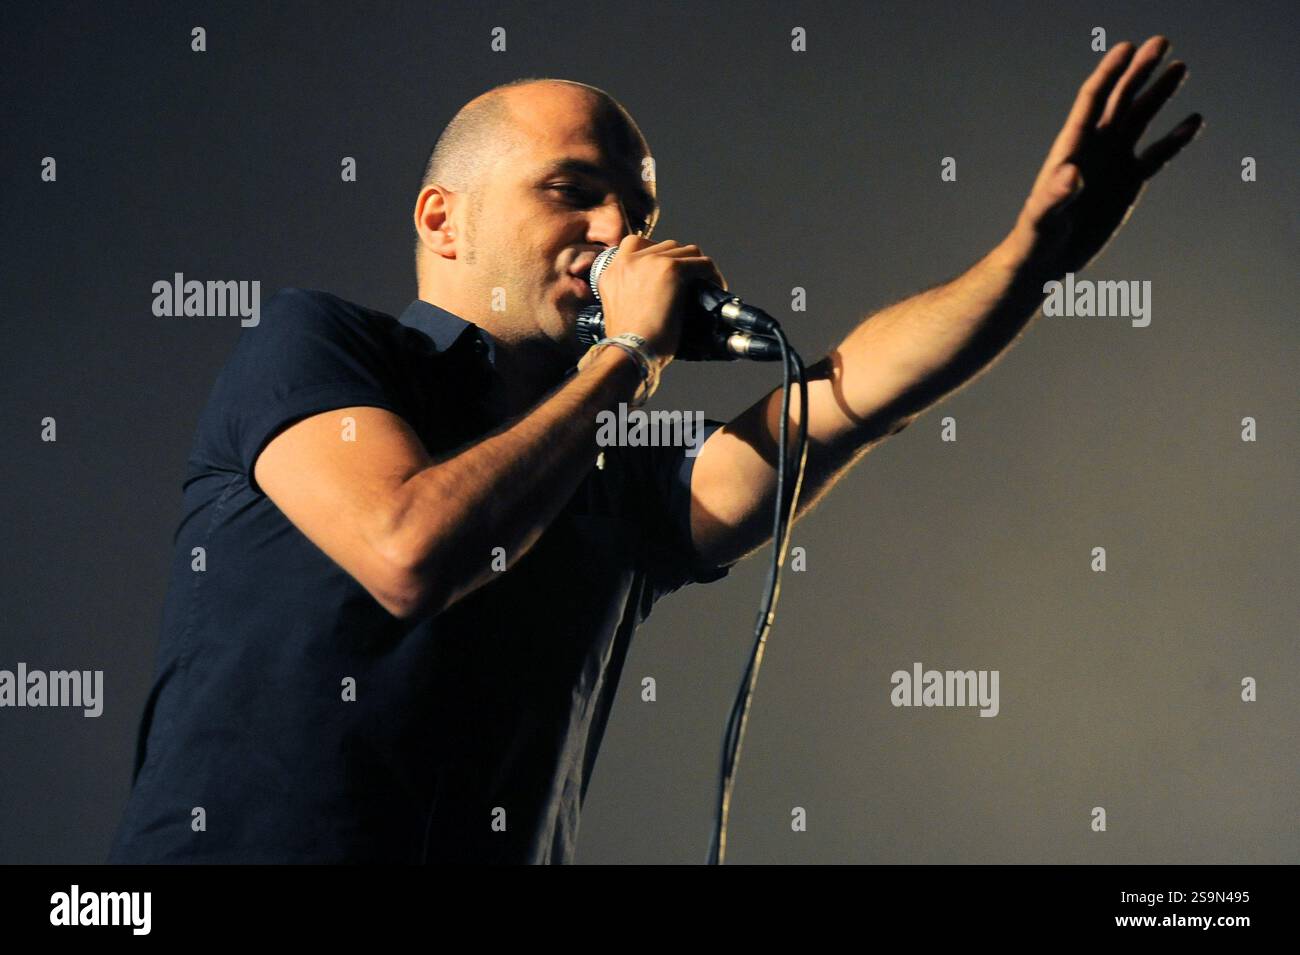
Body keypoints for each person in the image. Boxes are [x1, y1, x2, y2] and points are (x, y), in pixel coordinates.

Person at [108, 40, 1200, 863]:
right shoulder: (320, 346)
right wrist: (628, 354)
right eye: (573, 190)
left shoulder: (613, 475)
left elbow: (848, 397)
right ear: (444, 221)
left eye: (638, 206)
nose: (620, 229)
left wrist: (1026, 261)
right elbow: (407, 549)